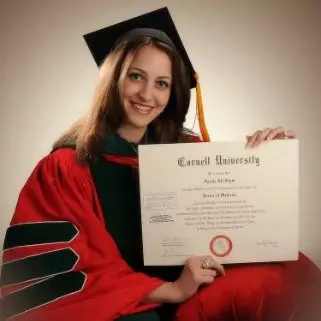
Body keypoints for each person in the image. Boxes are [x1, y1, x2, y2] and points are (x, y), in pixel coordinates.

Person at [1, 7, 320, 321]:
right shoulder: (67, 166)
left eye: (162, 83)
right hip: (120, 306)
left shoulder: (188, 153)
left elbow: (235, 228)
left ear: (173, 92)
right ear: (112, 80)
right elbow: (66, 271)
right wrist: (171, 290)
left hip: (195, 291)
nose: (146, 94)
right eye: (136, 76)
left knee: (287, 274)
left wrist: (267, 162)